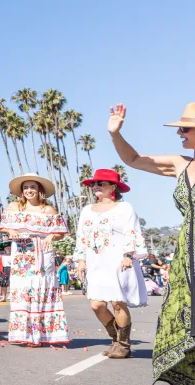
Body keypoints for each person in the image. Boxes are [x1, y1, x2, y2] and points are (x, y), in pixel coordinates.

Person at [108, 102, 195, 381]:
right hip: (188, 254)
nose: (179, 133)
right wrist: (115, 134)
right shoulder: (181, 164)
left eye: (185, 128)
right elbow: (133, 160)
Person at [72, 168, 148, 359]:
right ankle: (115, 338)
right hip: (95, 260)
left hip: (118, 260)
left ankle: (122, 345)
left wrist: (128, 255)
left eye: (100, 183)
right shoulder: (87, 210)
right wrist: (81, 260)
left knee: (117, 303)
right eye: (94, 184)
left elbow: (132, 231)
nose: (96, 186)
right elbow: (82, 236)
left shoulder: (125, 208)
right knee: (97, 305)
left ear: (113, 186)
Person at [1, 173, 70, 347]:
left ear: (39, 190)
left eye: (33, 187)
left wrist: (50, 237)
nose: (29, 190)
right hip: (22, 254)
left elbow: (61, 232)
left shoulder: (48, 210)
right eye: (26, 187)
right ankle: (25, 334)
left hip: (43, 254)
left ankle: (41, 335)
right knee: (24, 288)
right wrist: (10, 232)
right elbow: (4, 227)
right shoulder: (13, 207)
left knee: (41, 286)